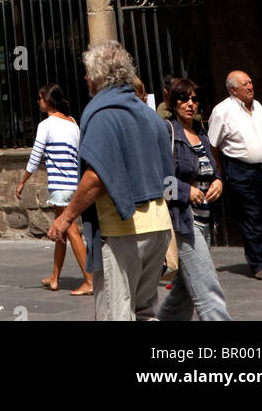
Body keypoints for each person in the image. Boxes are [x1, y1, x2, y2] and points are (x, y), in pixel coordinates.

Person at [47, 41, 173, 321]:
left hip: (123, 230)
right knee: (144, 311)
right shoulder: (147, 114)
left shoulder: (104, 114)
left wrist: (65, 217)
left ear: (100, 76)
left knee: (114, 314)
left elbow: (96, 177)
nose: (85, 78)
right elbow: (167, 169)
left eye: (88, 73)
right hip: (158, 226)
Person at [158, 78, 230, 321]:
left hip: (206, 219)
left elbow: (211, 169)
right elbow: (158, 179)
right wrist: (184, 191)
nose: (190, 104)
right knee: (208, 290)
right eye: (183, 98)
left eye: (194, 99)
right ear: (173, 102)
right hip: (183, 222)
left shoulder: (200, 132)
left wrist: (218, 181)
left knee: (184, 293)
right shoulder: (167, 131)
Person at [16, 83, 91, 295]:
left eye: (40, 98)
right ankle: (55, 278)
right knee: (61, 231)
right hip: (75, 185)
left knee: (70, 230)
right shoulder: (73, 124)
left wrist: (22, 181)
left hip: (59, 186)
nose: (38, 102)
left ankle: (90, 279)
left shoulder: (46, 125)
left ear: (47, 101)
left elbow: (34, 157)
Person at [207, 70, 262, 279]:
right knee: (251, 215)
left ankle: (261, 246)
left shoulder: (258, 107)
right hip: (241, 171)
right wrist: (219, 172)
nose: (250, 86)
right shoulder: (222, 111)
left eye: (251, 82)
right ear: (233, 90)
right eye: (245, 84)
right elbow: (213, 144)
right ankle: (258, 264)